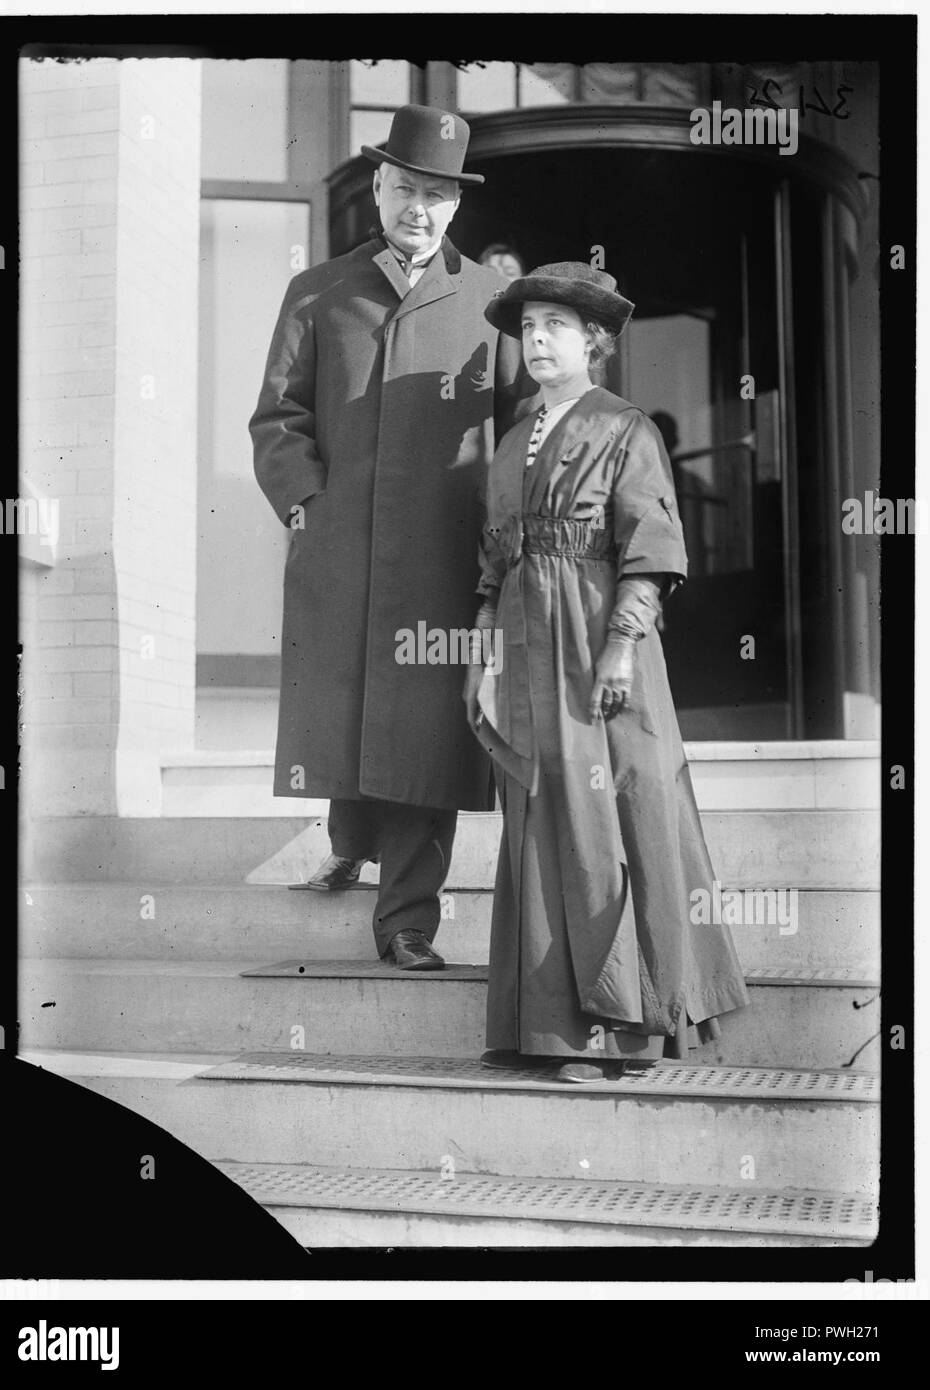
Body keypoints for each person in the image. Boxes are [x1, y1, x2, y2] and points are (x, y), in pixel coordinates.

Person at [250, 105, 528, 972]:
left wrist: (502, 537)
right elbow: (278, 417)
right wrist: (307, 505)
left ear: (455, 205)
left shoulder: (492, 300)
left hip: (445, 563)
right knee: (340, 709)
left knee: (423, 741)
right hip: (340, 547)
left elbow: (521, 425)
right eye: (405, 186)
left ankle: (408, 919)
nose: (419, 207)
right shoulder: (319, 291)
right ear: (378, 187)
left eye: (436, 193)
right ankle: (348, 838)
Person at [463, 262, 750, 1080]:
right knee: (543, 820)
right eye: (528, 328)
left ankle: (621, 1032)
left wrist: (624, 643)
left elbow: (651, 549)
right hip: (524, 649)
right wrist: (484, 649)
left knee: (610, 819)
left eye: (555, 326)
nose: (538, 340)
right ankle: (544, 1032)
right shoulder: (513, 437)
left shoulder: (626, 428)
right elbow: (493, 561)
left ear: (594, 341)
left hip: (597, 648)